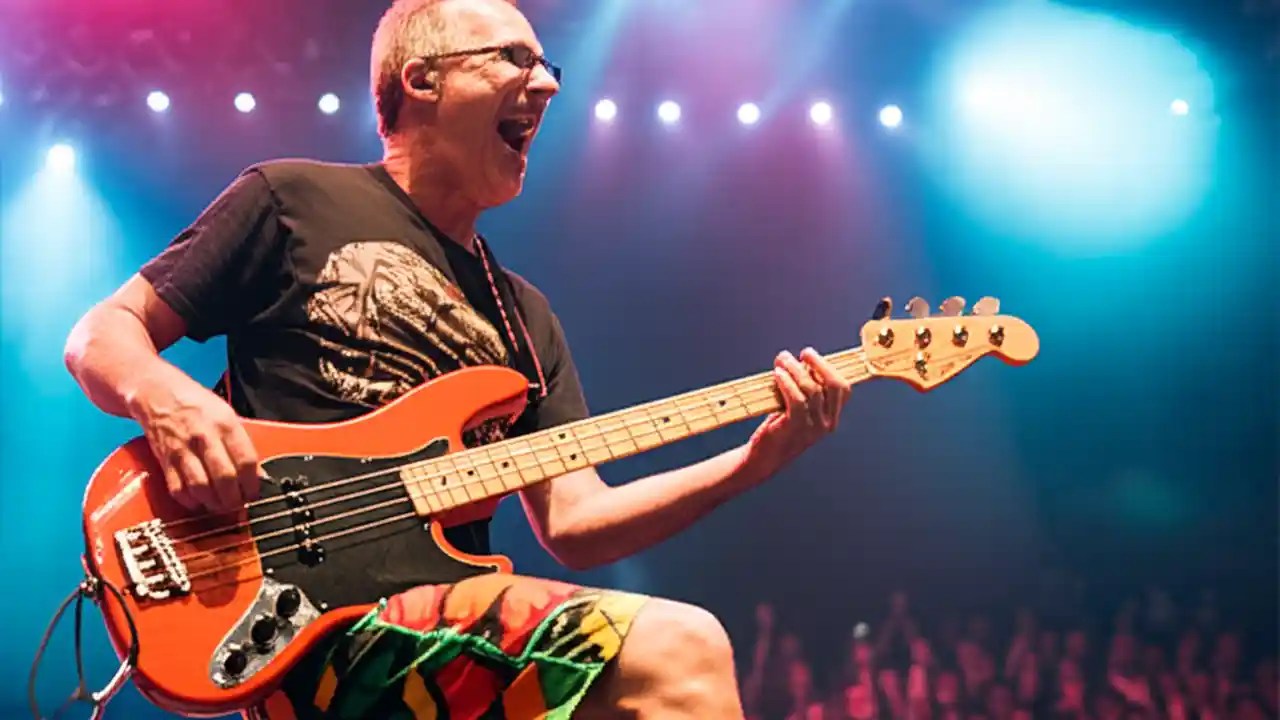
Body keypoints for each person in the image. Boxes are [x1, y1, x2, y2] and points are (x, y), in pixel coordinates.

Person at [61, 0, 854, 718]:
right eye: (513, 57)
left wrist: (750, 464)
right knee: (682, 653)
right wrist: (167, 397)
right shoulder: (291, 199)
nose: (545, 84)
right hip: (310, 625)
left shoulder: (525, 319)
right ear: (421, 80)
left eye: (549, 66)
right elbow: (102, 335)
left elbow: (576, 523)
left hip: (452, 633)